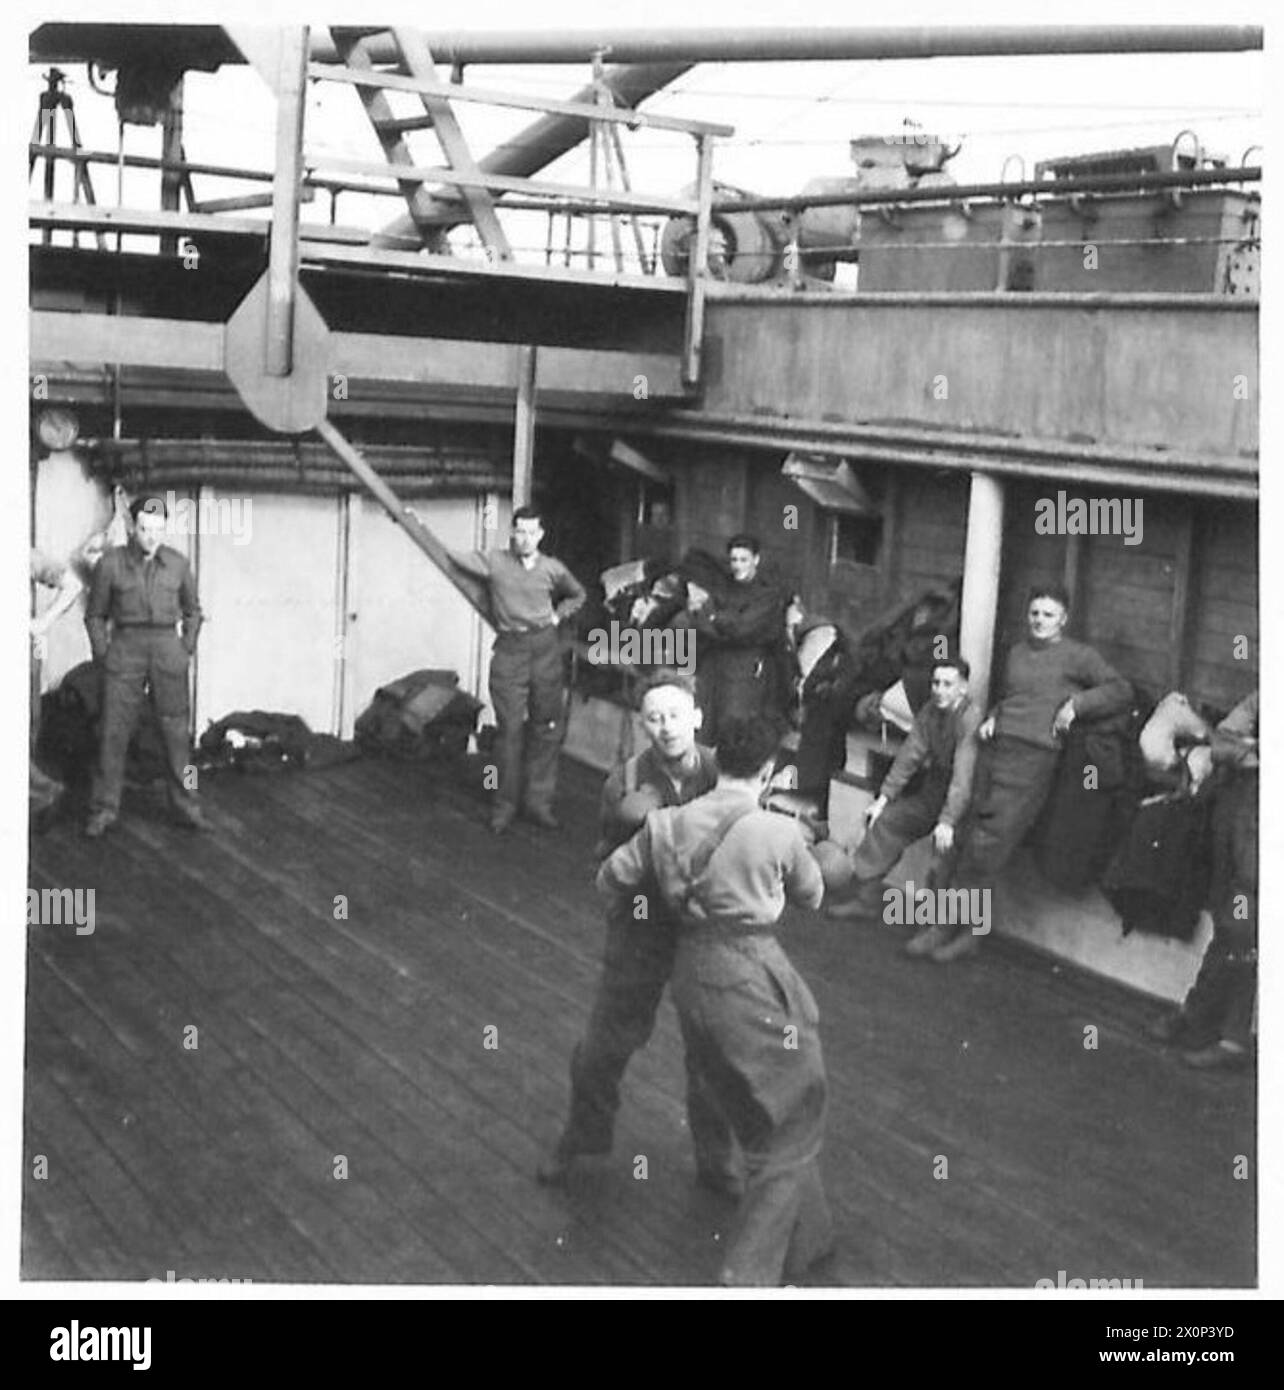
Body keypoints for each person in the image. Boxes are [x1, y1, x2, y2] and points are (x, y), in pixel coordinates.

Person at [597, 715, 832, 1286]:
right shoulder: (777, 830)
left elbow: (609, 880)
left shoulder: (665, 825)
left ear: (716, 762)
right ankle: (747, 1277)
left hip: (689, 969)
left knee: (736, 1083)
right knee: (794, 1113)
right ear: (770, 772)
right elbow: (814, 894)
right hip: (750, 972)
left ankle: (809, 1241)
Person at [537, 670, 736, 1191]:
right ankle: (581, 1140)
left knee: (713, 1047)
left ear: (695, 716)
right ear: (642, 724)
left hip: (704, 927)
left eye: (675, 715)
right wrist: (639, 850)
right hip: (644, 923)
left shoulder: (725, 774)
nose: (667, 727)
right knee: (602, 1045)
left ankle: (718, 1161)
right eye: (654, 718)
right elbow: (604, 863)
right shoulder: (623, 781)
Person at [913, 583, 1131, 962]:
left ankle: (964, 934)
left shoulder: (1077, 656)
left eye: (1048, 614)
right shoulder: (1015, 652)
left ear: (1063, 619)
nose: (1039, 621)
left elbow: (1120, 689)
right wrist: (994, 718)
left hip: (1033, 759)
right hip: (995, 750)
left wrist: (1076, 705)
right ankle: (945, 925)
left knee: (987, 848)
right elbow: (1014, 698)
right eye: (1034, 613)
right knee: (963, 836)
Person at [449, 505, 586, 834]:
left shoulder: (553, 568)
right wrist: (413, 518)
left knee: (546, 727)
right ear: (512, 532)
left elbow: (578, 594)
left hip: (545, 649)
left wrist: (557, 616)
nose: (524, 538)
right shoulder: (494, 561)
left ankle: (538, 804)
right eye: (519, 531)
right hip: (510, 652)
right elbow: (451, 556)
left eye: (531, 532)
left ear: (540, 535)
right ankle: (502, 806)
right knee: (508, 732)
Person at [1147, 690, 1257, 1070]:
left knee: (1244, 930)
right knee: (1230, 925)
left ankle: (1232, 1039)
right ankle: (1201, 1016)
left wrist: (1249, 750)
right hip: (1241, 817)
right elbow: (1223, 741)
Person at [827, 656, 981, 926]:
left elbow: (963, 777)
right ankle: (867, 901)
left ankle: (937, 926)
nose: (939, 690)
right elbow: (910, 755)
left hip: (967, 801)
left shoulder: (970, 718)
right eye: (936, 683)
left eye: (948, 684)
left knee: (945, 854)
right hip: (934, 790)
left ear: (963, 688)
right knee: (887, 822)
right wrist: (884, 799)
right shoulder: (930, 711)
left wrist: (947, 821)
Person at [83, 496, 205, 837]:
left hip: (168, 649)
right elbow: (95, 615)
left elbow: (194, 611)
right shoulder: (111, 564)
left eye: (158, 530)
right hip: (126, 648)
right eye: (145, 529)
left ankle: (188, 807)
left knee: (177, 734)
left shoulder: (179, 564)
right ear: (132, 527)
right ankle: (103, 810)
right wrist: (104, 655)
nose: (152, 537)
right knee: (113, 732)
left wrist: (185, 649)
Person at [686, 534, 790, 748]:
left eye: (744, 560)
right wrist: (723, 622)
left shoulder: (767, 593)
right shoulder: (723, 587)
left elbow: (744, 630)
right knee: (703, 726)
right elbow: (701, 622)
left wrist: (716, 618)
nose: (738, 566)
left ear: (756, 560)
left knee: (734, 727)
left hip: (746, 667)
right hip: (714, 664)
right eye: (734, 560)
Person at [30, 548, 84, 828]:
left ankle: (44, 793)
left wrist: (41, 623)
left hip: (21, 653)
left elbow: (72, 585)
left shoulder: (22, 554)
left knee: (22, 732)